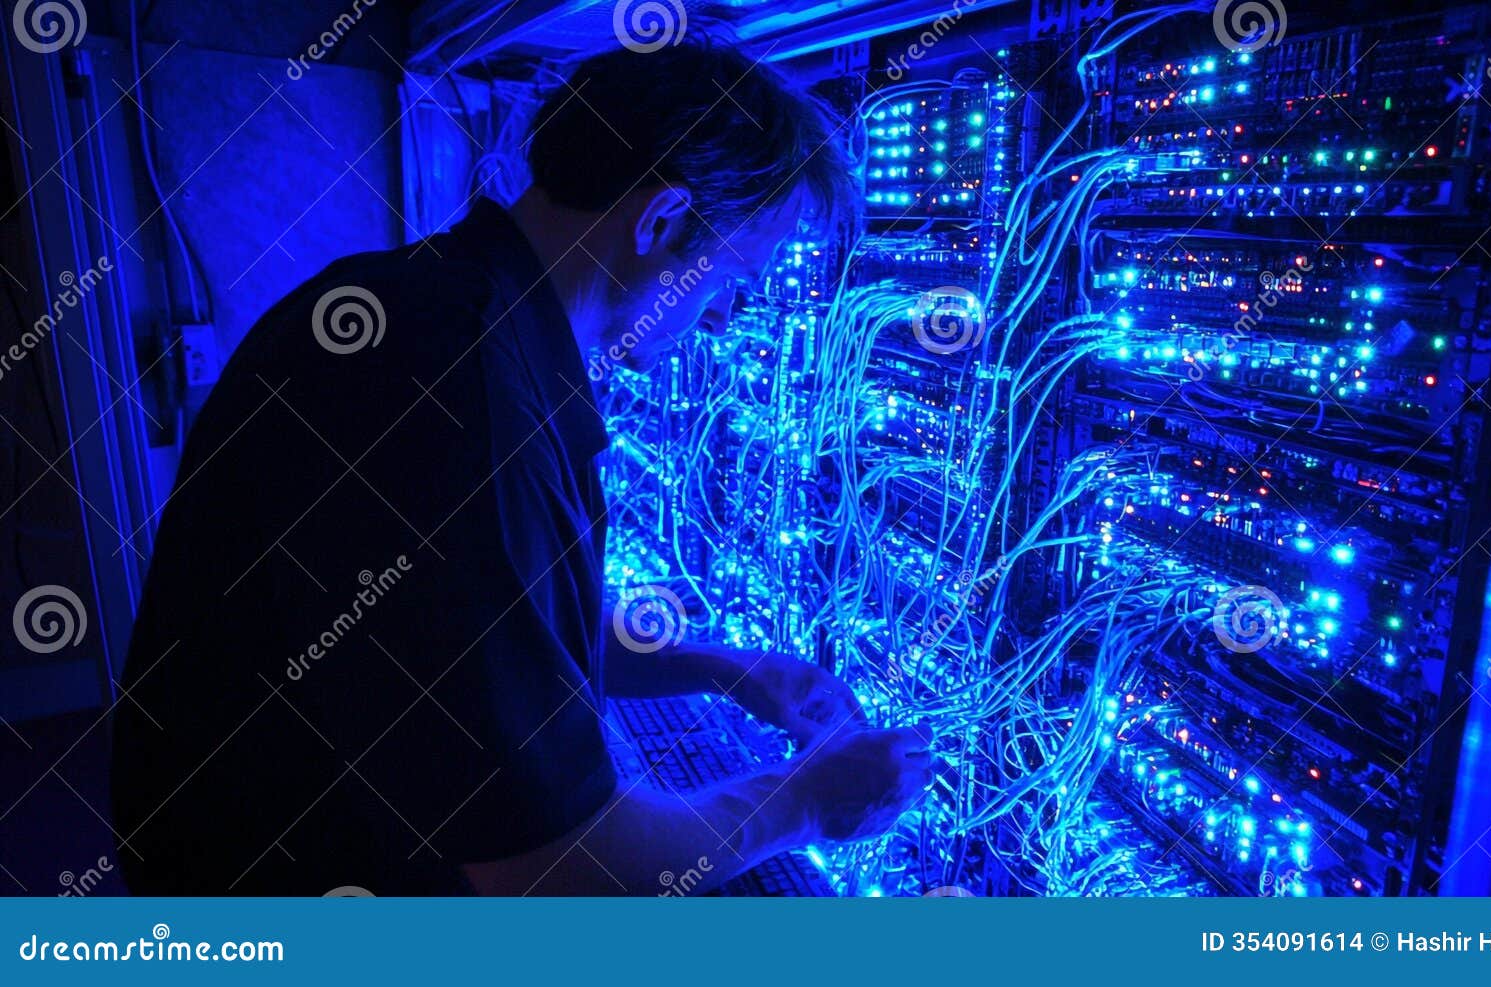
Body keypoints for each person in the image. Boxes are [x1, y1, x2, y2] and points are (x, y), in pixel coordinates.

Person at [109, 39, 933, 895]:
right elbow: (560, 871)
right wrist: (805, 802)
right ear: (660, 222)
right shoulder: (471, 403)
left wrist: (724, 666)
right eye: (733, 280)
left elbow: (513, 623)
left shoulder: (433, 302)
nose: (729, 319)